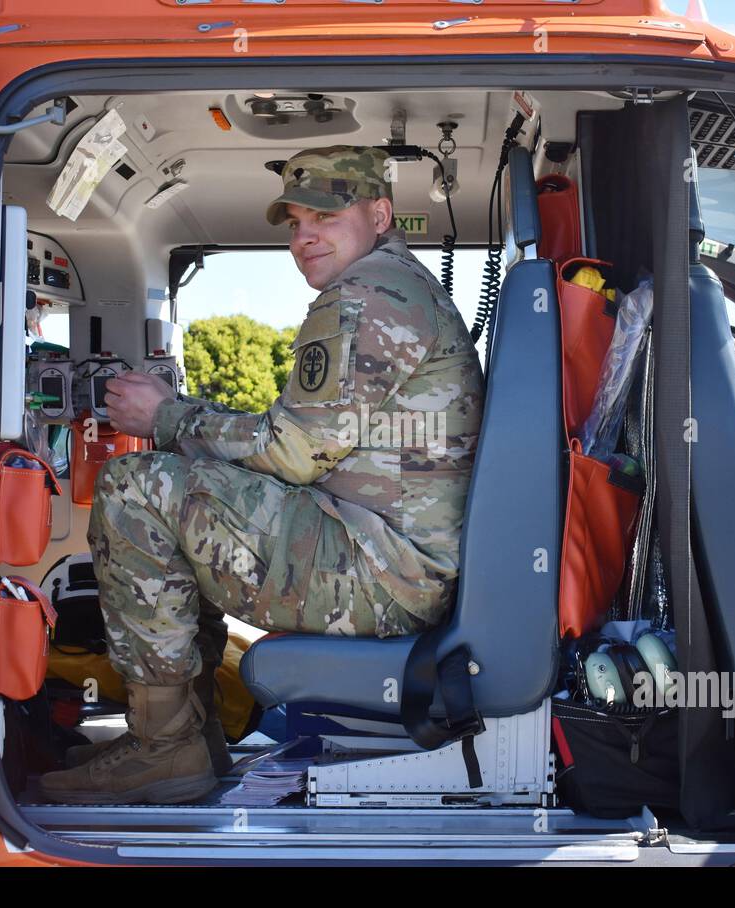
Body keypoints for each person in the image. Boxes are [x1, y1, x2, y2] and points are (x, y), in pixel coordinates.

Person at [40, 145, 485, 804]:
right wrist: (191, 436)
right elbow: (306, 448)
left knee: (137, 486)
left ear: (381, 213)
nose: (305, 237)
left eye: (327, 217)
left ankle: (166, 748)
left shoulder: (368, 293)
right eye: (296, 221)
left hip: (379, 571)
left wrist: (168, 416)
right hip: (389, 558)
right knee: (187, 477)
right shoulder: (394, 286)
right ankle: (191, 740)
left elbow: (295, 452)